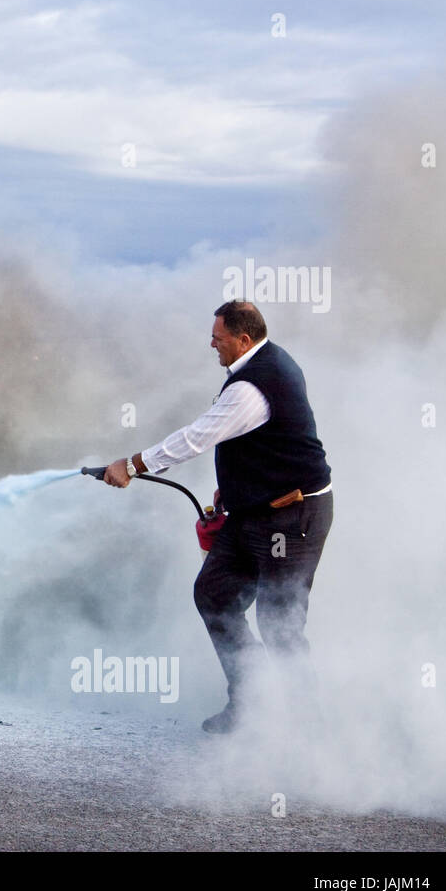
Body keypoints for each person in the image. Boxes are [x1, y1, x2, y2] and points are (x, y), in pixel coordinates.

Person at [102, 300, 333, 734]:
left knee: (279, 622)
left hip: (293, 515)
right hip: (252, 510)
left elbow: (198, 437)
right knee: (214, 594)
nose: (212, 343)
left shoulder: (254, 384)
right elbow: (261, 439)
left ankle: (310, 735)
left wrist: (131, 465)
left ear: (243, 339)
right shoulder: (263, 362)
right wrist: (236, 485)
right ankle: (250, 702)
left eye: (218, 337)